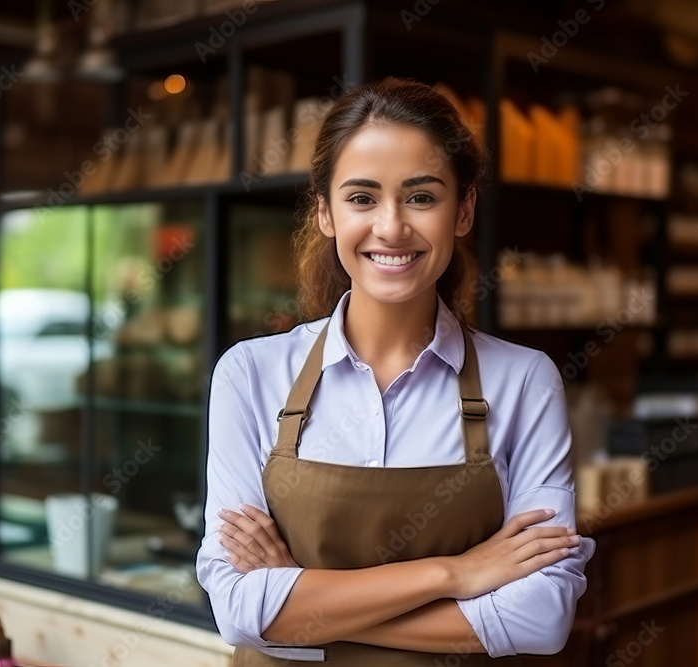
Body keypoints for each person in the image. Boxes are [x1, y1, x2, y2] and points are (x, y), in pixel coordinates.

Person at [196, 77, 596, 665]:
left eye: (421, 197)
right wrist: (456, 573)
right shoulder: (249, 375)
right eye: (362, 198)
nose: (391, 227)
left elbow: (541, 617)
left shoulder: (526, 382)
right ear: (326, 213)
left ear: (463, 211)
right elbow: (239, 611)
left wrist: (303, 602)